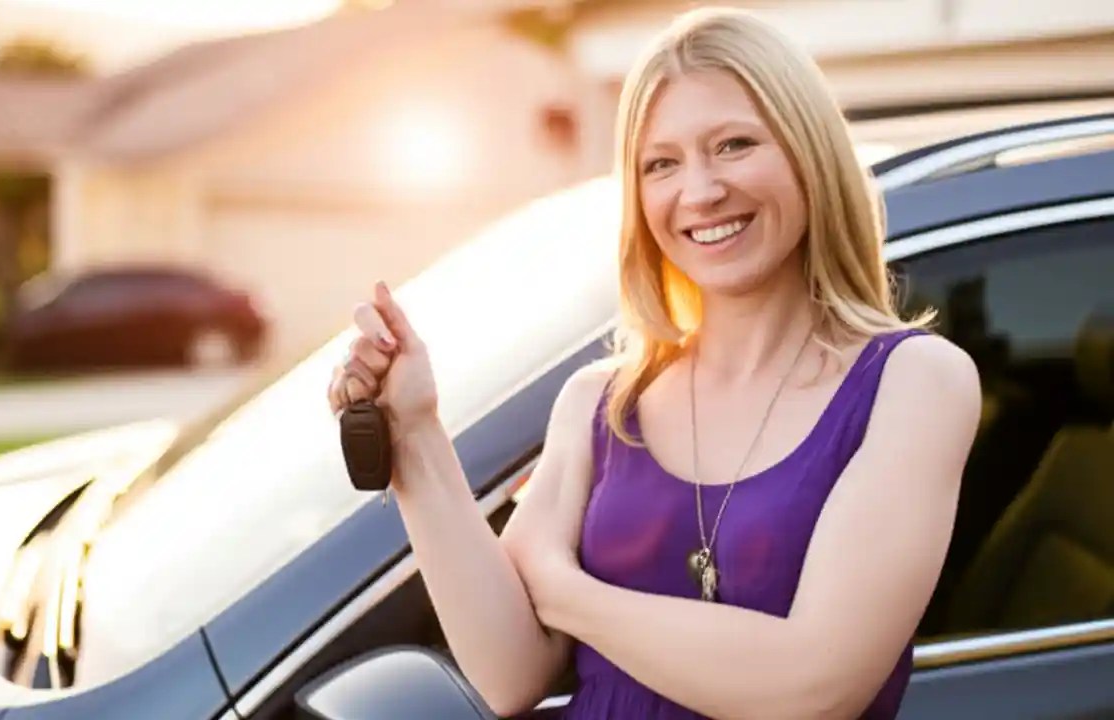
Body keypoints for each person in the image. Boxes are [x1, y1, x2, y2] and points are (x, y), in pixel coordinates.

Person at [326, 6, 981, 719]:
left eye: (733, 145)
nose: (699, 192)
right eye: (661, 163)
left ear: (809, 152)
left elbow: (814, 686)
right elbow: (507, 672)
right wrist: (416, 436)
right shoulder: (601, 402)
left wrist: (567, 590)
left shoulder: (915, 382)